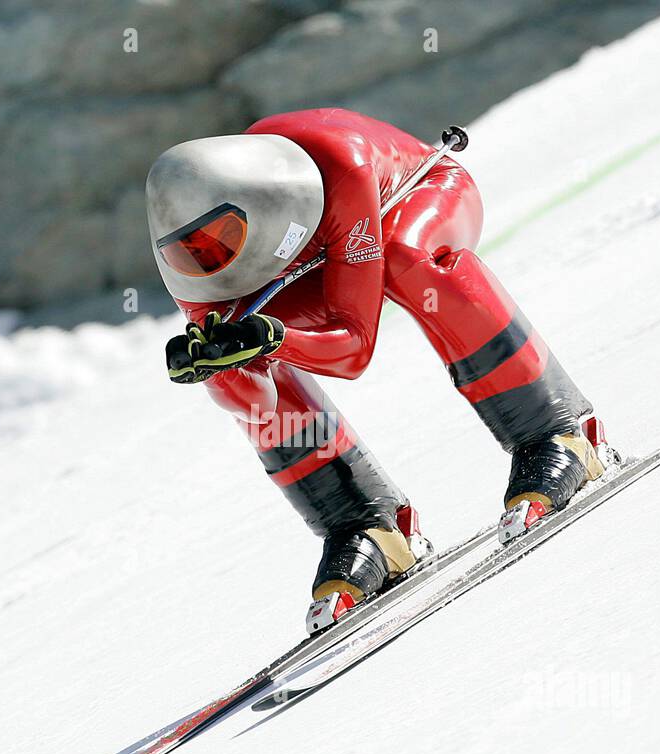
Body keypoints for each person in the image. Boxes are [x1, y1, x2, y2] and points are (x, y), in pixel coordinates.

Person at [147, 108, 604, 629]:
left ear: (259, 201)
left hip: (415, 195)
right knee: (231, 358)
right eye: (191, 257)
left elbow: (355, 347)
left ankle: (559, 434)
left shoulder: (338, 165)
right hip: (307, 260)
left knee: (406, 257)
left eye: (221, 240)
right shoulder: (196, 276)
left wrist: (274, 337)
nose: (213, 264)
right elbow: (254, 398)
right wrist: (215, 370)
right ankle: (366, 526)